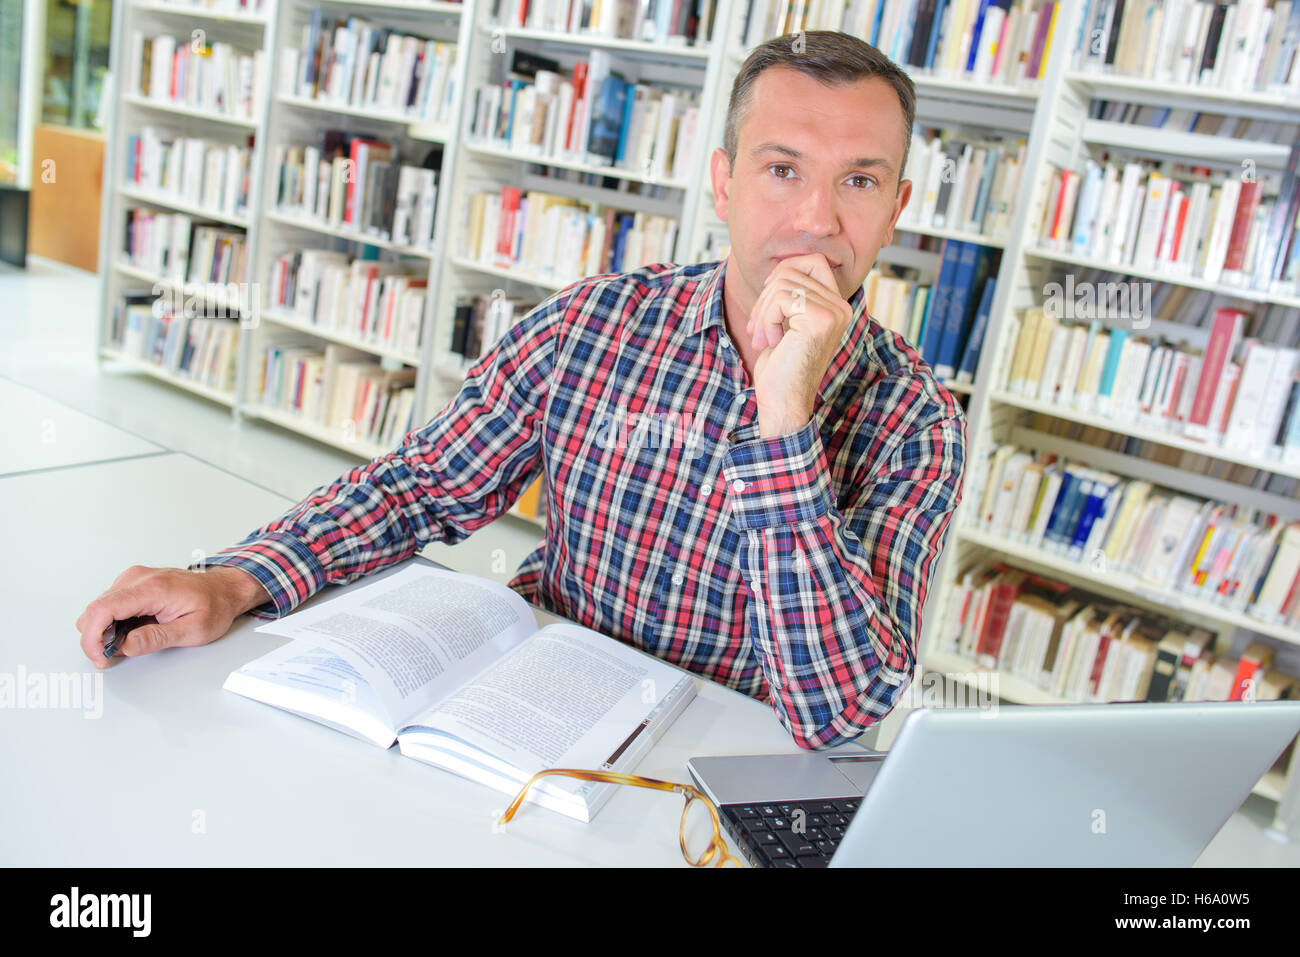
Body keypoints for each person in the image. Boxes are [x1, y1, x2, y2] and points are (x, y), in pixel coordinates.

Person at [77, 31, 966, 750]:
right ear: (725, 180)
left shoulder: (916, 416)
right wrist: (235, 580)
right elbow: (421, 486)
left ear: (896, 207)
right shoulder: (595, 322)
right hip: (533, 723)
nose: (818, 218)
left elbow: (839, 711)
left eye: (859, 179)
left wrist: (786, 418)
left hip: (711, 780)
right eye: (782, 170)